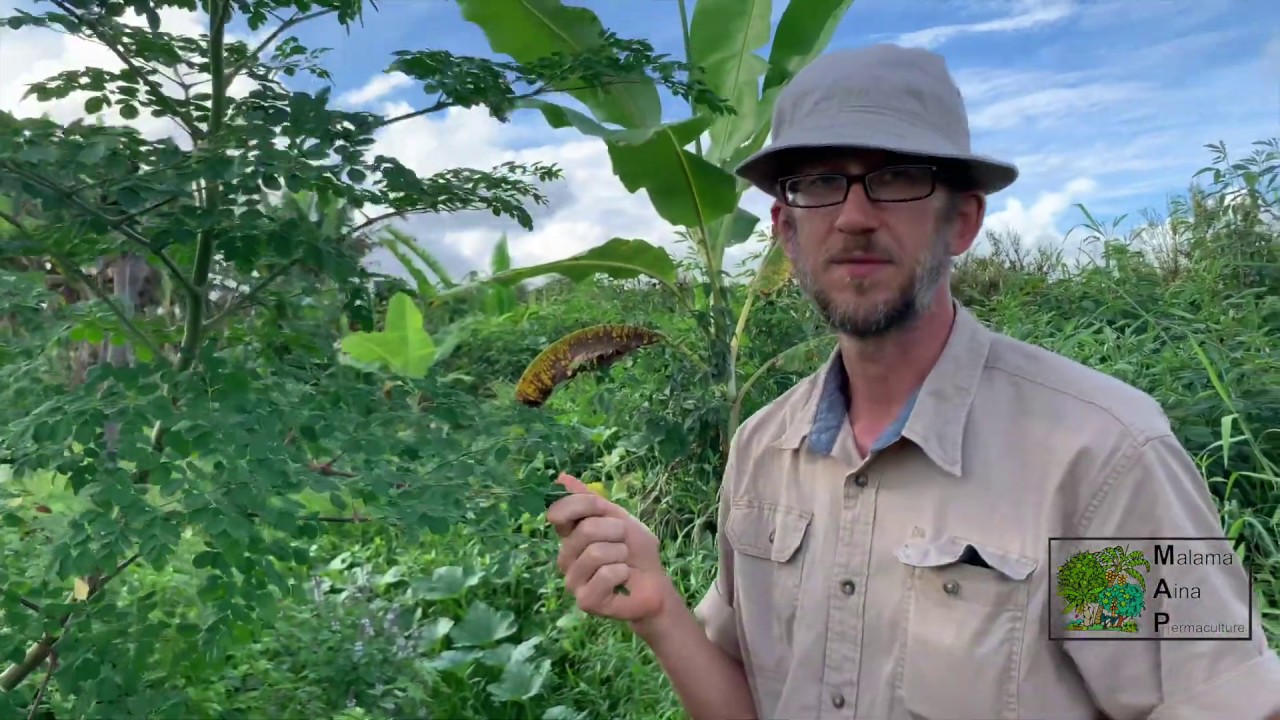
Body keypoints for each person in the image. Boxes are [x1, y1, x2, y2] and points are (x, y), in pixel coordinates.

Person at [546, 43, 1280, 719]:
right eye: (819, 183)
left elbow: (1209, 705)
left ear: (962, 221)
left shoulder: (1091, 462)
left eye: (896, 178)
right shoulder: (764, 453)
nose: (854, 217)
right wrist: (660, 612)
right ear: (785, 229)